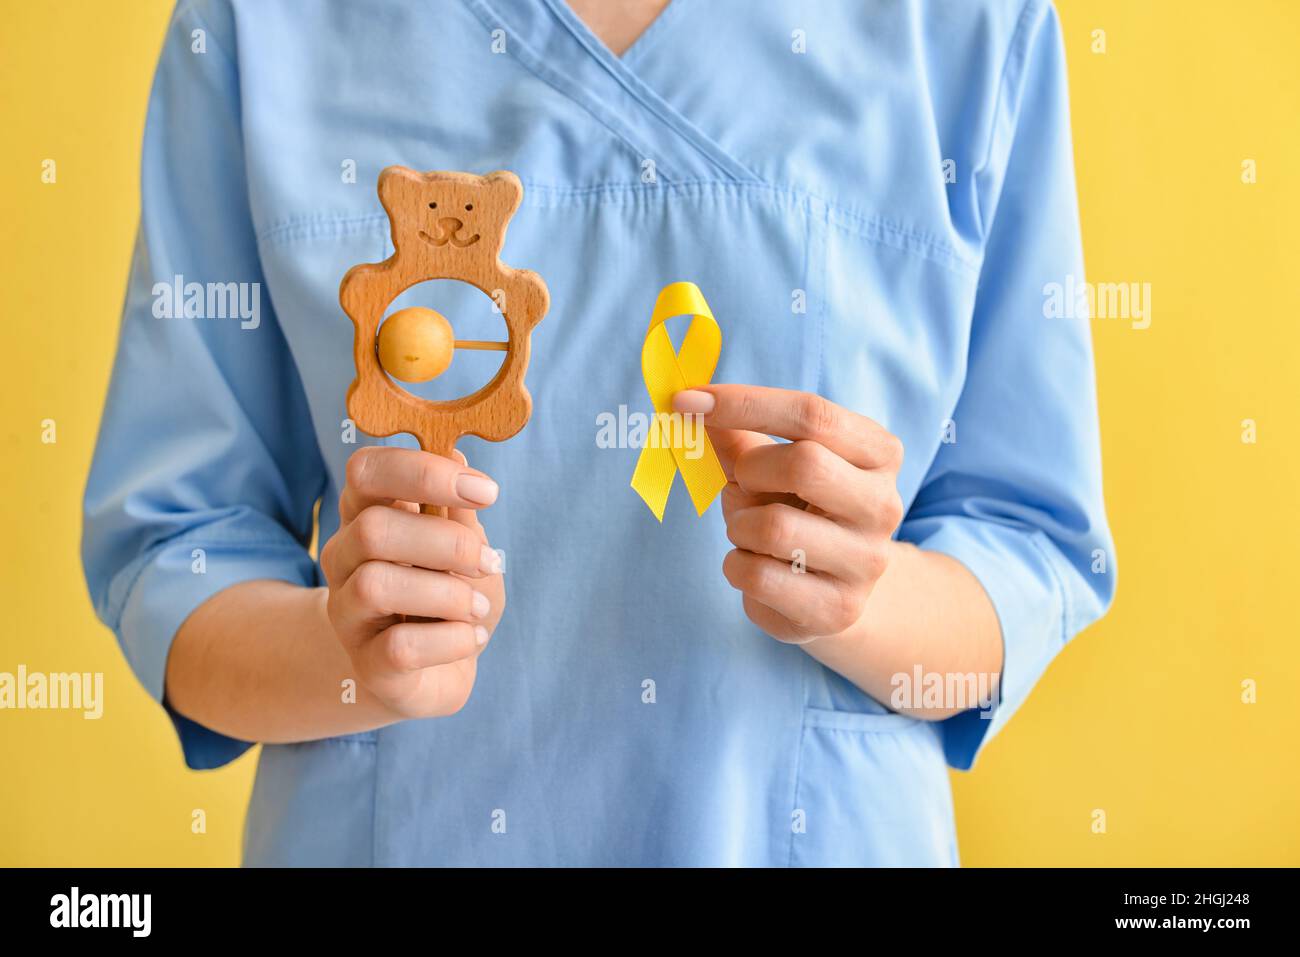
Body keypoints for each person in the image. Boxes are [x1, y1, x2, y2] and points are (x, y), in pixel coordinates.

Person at [82, 0, 1115, 866]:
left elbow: (1025, 543)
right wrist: (343, 655)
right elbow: (175, 549)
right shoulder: (260, 25)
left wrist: (862, 595)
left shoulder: (965, 25)